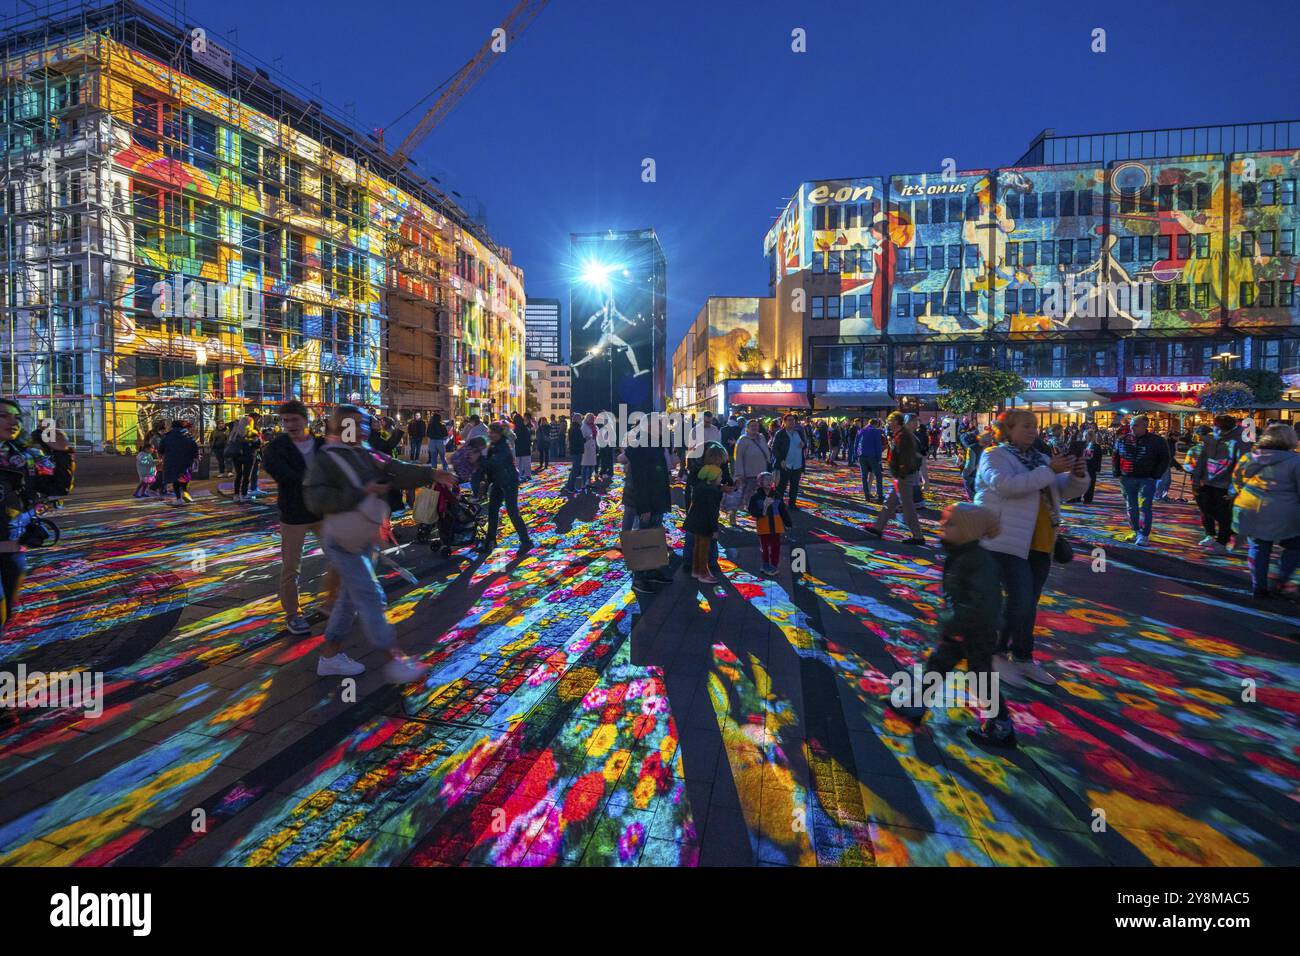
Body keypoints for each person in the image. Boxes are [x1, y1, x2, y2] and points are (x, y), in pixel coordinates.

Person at [302, 404, 454, 681]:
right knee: (370, 595)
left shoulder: (363, 452)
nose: (362, 428)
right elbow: (315, 499)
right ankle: (394, 660)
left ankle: (330, 655)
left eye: (363, 423)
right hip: (343, 539)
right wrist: (361, 493)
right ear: (340, 426)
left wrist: (431, 474)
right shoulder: (328, 457)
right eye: (356, 423)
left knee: (349, 599)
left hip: (362, 537)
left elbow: (394, 468)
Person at [975, 410, 1087, 688]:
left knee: (1029, 603)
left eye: (1034, 426)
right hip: (1004, 539)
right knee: (1019, 599)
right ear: (1007, 429)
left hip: (1040, 541)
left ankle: (1023, 657)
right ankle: (996, 652)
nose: (1032, 430)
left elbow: (1059, 492)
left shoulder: (1041, 459)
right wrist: (1049, 471)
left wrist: (1077, 477)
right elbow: (1007, 486)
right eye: (1026, 426)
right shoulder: (994, 456)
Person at [891, 503, 1012, 748]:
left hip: (977, 630)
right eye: (944, 519)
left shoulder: (978, 561)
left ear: (968, 530)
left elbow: (980, 602)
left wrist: (957, 625)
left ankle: (1001, 726)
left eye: (952, 522)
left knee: (980, 676)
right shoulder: (961, 554)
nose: (942, 524)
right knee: (939, 664)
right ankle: (917, 705)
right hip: (961, 627)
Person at [262, 400, 338, 636]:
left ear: (306, 420)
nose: (289, 425)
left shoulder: (321, 445)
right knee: (291, 568)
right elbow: (282, 474)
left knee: (339, 558)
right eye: (285, 420)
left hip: (322, 512)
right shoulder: (276, 447)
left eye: (294, 419)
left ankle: (331, 603)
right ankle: (293, 614)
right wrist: (316, 478)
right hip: (293, 513)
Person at [0, 397, 75, 635]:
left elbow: (57, 488)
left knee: (6, 615)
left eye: (16, 417)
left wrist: (62, 452)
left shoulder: (26, 456)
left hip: (13, 549)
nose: (13, 421)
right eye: (3, 416)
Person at [1231, 424, 1300, 599]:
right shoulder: (1295, 461)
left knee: (1258, 546)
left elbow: (1237, 480)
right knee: (1294, 546)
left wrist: (1244, 494)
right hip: (1284, 509)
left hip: (1250, 506)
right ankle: (1280, 579)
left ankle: (1258, 585)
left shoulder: (1249, 457)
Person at [865, 412, 925, 544]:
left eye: (890, 421)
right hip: (901, 475)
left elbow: (906, 457)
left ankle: (918, 536)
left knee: (908, 506)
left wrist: (902, 472)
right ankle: (878, 527)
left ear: (897, 422)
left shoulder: (903, 436)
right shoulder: (900, 435)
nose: (888, 424)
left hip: (904, 475)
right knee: (890, 503)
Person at [622, 440, 673, 593]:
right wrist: (644, 506)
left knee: (654, 536)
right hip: (646, 501)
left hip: (656, 500)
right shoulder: (641, 447)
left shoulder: (657, 445)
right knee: (642, 537)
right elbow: (639, 479)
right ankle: (638, 578)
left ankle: (651, 571)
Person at [1112, 414, 1171, 546]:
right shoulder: (1123, 439)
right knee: (1131, 507)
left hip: (1146, 478)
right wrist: (1117, 473)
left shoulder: (1157, 441)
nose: (1132, 427)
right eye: (1131, 424)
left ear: (1145, 425)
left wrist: (1155, 475)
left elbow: (1165, 459)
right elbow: (1115, 456)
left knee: (1144, 507)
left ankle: (1144, 534)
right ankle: (1135, 530)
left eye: (1136, 424)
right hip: (1127, 478)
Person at [1191, 415, 1246, 555]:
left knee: (1223, 513)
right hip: (1208, 481)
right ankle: (1227, 532)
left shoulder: (1239, 441)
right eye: (1215, 426)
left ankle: (1223, 541)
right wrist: (1196, 478)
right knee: (1206, 507)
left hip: (1225, 484)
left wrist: (1235, 487)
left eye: (1218, 427)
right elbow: (1202, 460)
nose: (1215, 429)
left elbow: (1241, 465)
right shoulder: (1211, 440)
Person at [480, 421, 534, 556]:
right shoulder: (493, 445)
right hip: (499, 482)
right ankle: (490, 541)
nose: (490, 434)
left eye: (492, 432)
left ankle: (526, 540)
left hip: (509, 482)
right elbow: (490, 467)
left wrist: (480, 459)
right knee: (492, 511)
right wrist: (487, 481)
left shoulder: (504, 446)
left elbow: (495, 463)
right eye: (489, 432)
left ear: (498, 434)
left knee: (512, 512)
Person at [685, 462, 724, 585]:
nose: (721, 479)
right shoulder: (712, 491)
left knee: (697, 546)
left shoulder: (699, 487)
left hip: (695, 521)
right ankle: (703, 572)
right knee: (704, 549)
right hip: (705, 524)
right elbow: (712, 512)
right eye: (719, 477)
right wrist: (715, 529)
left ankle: (696, 570)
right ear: (713, 478)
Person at [748, 471, 790, 575]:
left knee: (776, 546)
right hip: (763, 525)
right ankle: (765, 564)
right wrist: (763, 510)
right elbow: (752, 511)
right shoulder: (756, 497)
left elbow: (782, 510)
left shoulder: (777, 495)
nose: (769, 482)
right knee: (764, 547)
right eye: (766, 479)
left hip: (776, 525)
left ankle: (774, 565)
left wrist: (788, 522)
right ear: (760, 482)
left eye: (771, 479)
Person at [730, 418, 770, 526]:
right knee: (741, 495)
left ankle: (758, 515)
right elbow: (738, 457)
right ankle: (733, 515)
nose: (754, 428)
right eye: (752, 426)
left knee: (759, 495)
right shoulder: (743, 439)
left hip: (761, 473)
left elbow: (766, 451)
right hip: (747, 473)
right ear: (747, 428)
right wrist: (739, 473)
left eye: (756, 426)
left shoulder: (761, 437)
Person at [769, 414, 807, 511]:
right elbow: (774, 448)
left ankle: (792, 504)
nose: (792, 422)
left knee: (794, 486)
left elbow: (804, 443)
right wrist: (780, 460)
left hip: (797, 464)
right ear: (784, 422)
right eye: (789, 420)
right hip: (785, 464)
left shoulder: (798, 432)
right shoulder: (780, 433)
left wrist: (804, 445)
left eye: (793, 420)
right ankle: (779, 504)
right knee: (781, 486)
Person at [158, 419, 199, 504]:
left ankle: (178, 499)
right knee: (184, 477)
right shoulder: (187, 435)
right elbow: (194, 446)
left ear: (172, 426)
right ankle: (185, 493)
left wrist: (162, 456)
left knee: (175, 479)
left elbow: (161, 449)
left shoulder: (167, 436)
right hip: (186, 460)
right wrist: (196, 456)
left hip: (172, 461)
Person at [226, 414, 261, 503]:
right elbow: (257, 444)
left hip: (237, 455)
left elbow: (230, 442)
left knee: (238, 475)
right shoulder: (252, 432)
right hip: (248, 455)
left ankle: (236, 494)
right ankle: (243, 494)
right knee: (246, 476)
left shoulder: (235, 432)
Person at [854, 417, 884, 503]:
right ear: (875, 424)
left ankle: (866, 496)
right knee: (878, 475)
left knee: (864, 476)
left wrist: (856, 455)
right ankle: (880, 495)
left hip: (861, 456)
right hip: (872, 456)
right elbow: (878, 446)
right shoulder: (876, 431)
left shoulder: (861, 431)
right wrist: (879, 459)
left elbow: (856, 444)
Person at [564, 412, 586, 493]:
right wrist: (584, 439)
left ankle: (569, 486)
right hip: (576, 451)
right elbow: (577, 440)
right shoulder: (576, 428)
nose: (581, 420)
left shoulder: (573, 428)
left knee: (574, 469)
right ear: (577, 420)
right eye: (580, 419)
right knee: (575, 469)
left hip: (575, 450)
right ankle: (570, 487)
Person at [580, 412, 599, 488]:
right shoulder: (583, 426)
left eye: (593, 418)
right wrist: (587, 438)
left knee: (592, 466)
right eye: (591, 418)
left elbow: (597, 436)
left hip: (593, 447)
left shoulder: (594, 426)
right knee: (585, 466)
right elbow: (581, 438)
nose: (592, 420)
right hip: (586, 448)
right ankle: (583, 483)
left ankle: (588, 482)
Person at [513, 413, 533, 482]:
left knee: (518, 464)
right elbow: (529, 438)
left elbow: (514, 439)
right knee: (527, 463)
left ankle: (519, 475)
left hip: (518, 448)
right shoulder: (525, 428)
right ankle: (528, 475)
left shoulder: (515, 429)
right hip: (526, 448)